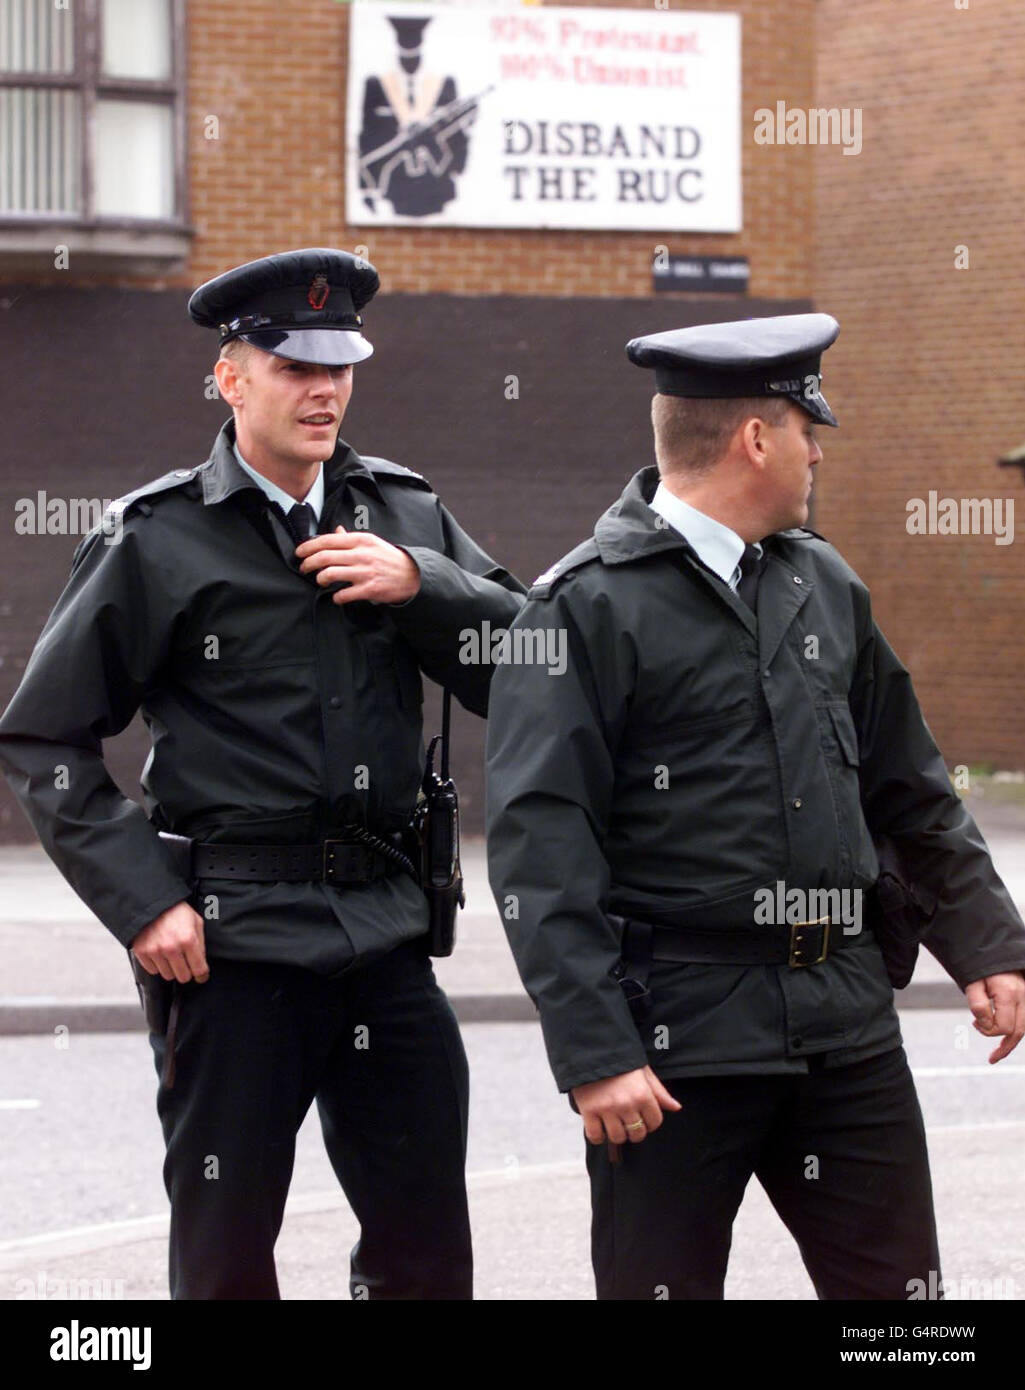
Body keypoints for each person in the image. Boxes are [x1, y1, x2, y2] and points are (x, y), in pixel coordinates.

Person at [0, 247, 525, 1300]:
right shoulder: (154, 539)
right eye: (294, 366)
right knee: (225, 1253)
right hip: (229, 954)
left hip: (384, 940)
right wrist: (145, 904)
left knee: (426, 1251)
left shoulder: (405, 515)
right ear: (231, 377)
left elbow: (531, 675)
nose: (323, 389)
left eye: (339, 367)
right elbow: (43, 738)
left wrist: (425, 587)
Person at [485, 312, 1025, 1301]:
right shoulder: (583, 607)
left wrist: (987, 945)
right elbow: (536, 845)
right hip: (673, 1049)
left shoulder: (822, 583)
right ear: (754, 438)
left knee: (903, 1313)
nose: (816, 452)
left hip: (844, 1027)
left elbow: (909, 785)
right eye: (805, 428)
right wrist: (595, 1050)